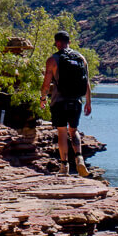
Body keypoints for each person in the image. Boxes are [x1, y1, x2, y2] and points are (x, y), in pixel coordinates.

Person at [40, 31, 92, 175]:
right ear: (69, 42)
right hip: (76, 101)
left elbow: (46, 84)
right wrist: (88, 102)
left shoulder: (53, 60)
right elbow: (86, 82)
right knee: (74, 131)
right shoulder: (81, 58)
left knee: (62, 131)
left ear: (57, 43)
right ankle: (79, 158)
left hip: (59, 101)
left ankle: (64, 166)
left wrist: (43, 98)